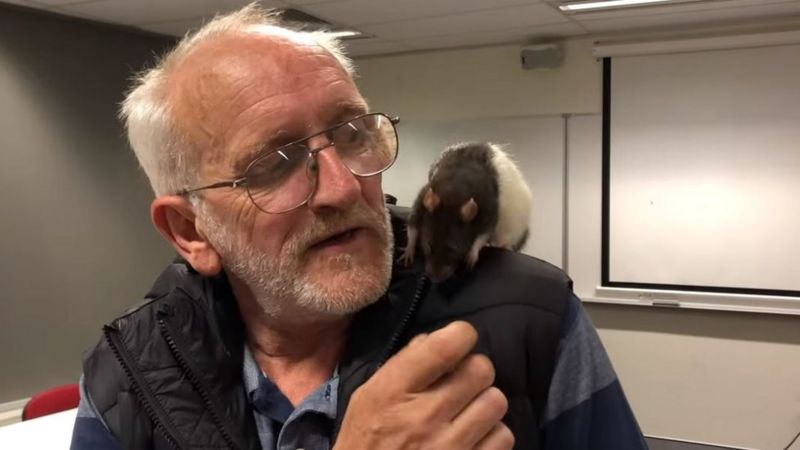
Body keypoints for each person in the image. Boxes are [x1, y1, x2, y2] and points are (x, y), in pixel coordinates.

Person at [71, 4, 648, 450]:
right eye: (275, 163)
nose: (347, 187)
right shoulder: (129, 370)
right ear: (191, 231)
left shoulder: (533, 317)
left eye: (352, 134)